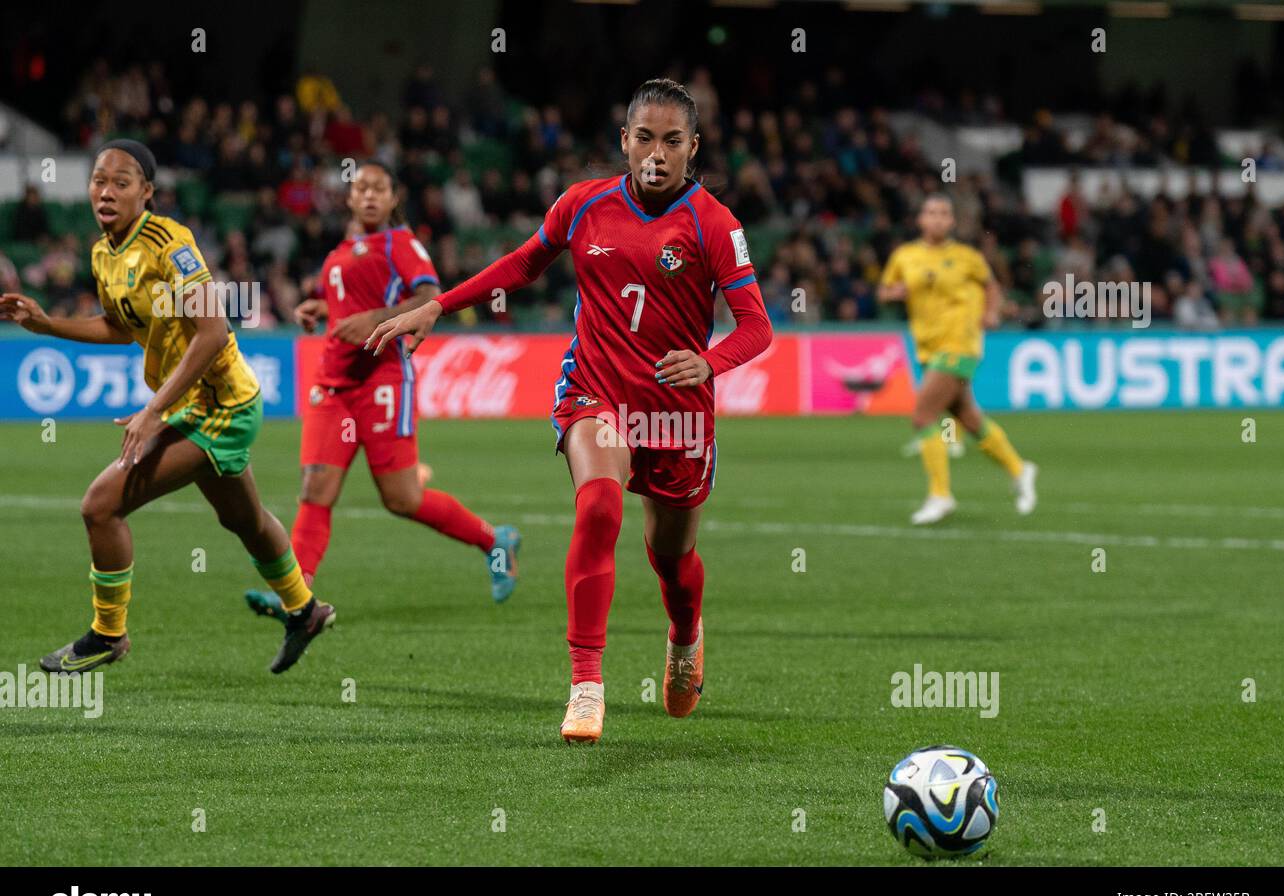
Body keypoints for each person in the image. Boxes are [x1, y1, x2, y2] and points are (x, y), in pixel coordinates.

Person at [367, 79, 773, 743]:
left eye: (672, 140)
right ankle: (586, 685)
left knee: (672, 561)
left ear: (693, 148)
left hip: (676, 413)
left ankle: (684, 634)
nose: (656, 152)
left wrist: (712, 362)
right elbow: (523, 265)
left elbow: (758, 327)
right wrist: (439, 304)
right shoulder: (584, 205)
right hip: (597, 391)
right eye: (644, 137)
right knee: (599, 506)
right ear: (624, 140)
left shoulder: (717, 226)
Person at [0, 140, 333, 675]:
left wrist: (153, 410)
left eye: (122, 182)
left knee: (100, 505)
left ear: (147, 192)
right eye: (98, 181)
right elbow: (118, 326)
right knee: (243, 519)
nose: (106, 192)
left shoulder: (169, 242)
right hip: (189, 404)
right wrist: (47, 324)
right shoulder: (103, 253)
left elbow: (213, 328)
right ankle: (305, 609)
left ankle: (108, 635)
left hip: (221, 404)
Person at [244, 161, 518, 623]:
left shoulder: (400, 243)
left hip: (380, 380)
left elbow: (430, 295)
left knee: (402, 499)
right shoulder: (341, 251)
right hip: (333, 384)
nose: (368, 195)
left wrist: (373, 320)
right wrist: (322, 307)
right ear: (349, 198)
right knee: (315, 489)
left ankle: (495, 541)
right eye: (360, 188)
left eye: (379, 189)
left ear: (394, 200)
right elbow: (350, 302)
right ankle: (296, 594)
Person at [879, 194, 1037, 525]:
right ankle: (1020, 470)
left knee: (923, 416)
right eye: (931, 213)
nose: (937, 219)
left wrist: (991, 312)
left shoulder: (968, 258)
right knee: (968, 418)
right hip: (928, 348)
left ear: (951, 222)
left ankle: (940, 495)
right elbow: (884, 290)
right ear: (920, 220)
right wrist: (899, 292)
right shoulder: (904, 256)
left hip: (960, 344)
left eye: (943, 214)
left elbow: (992, 288)